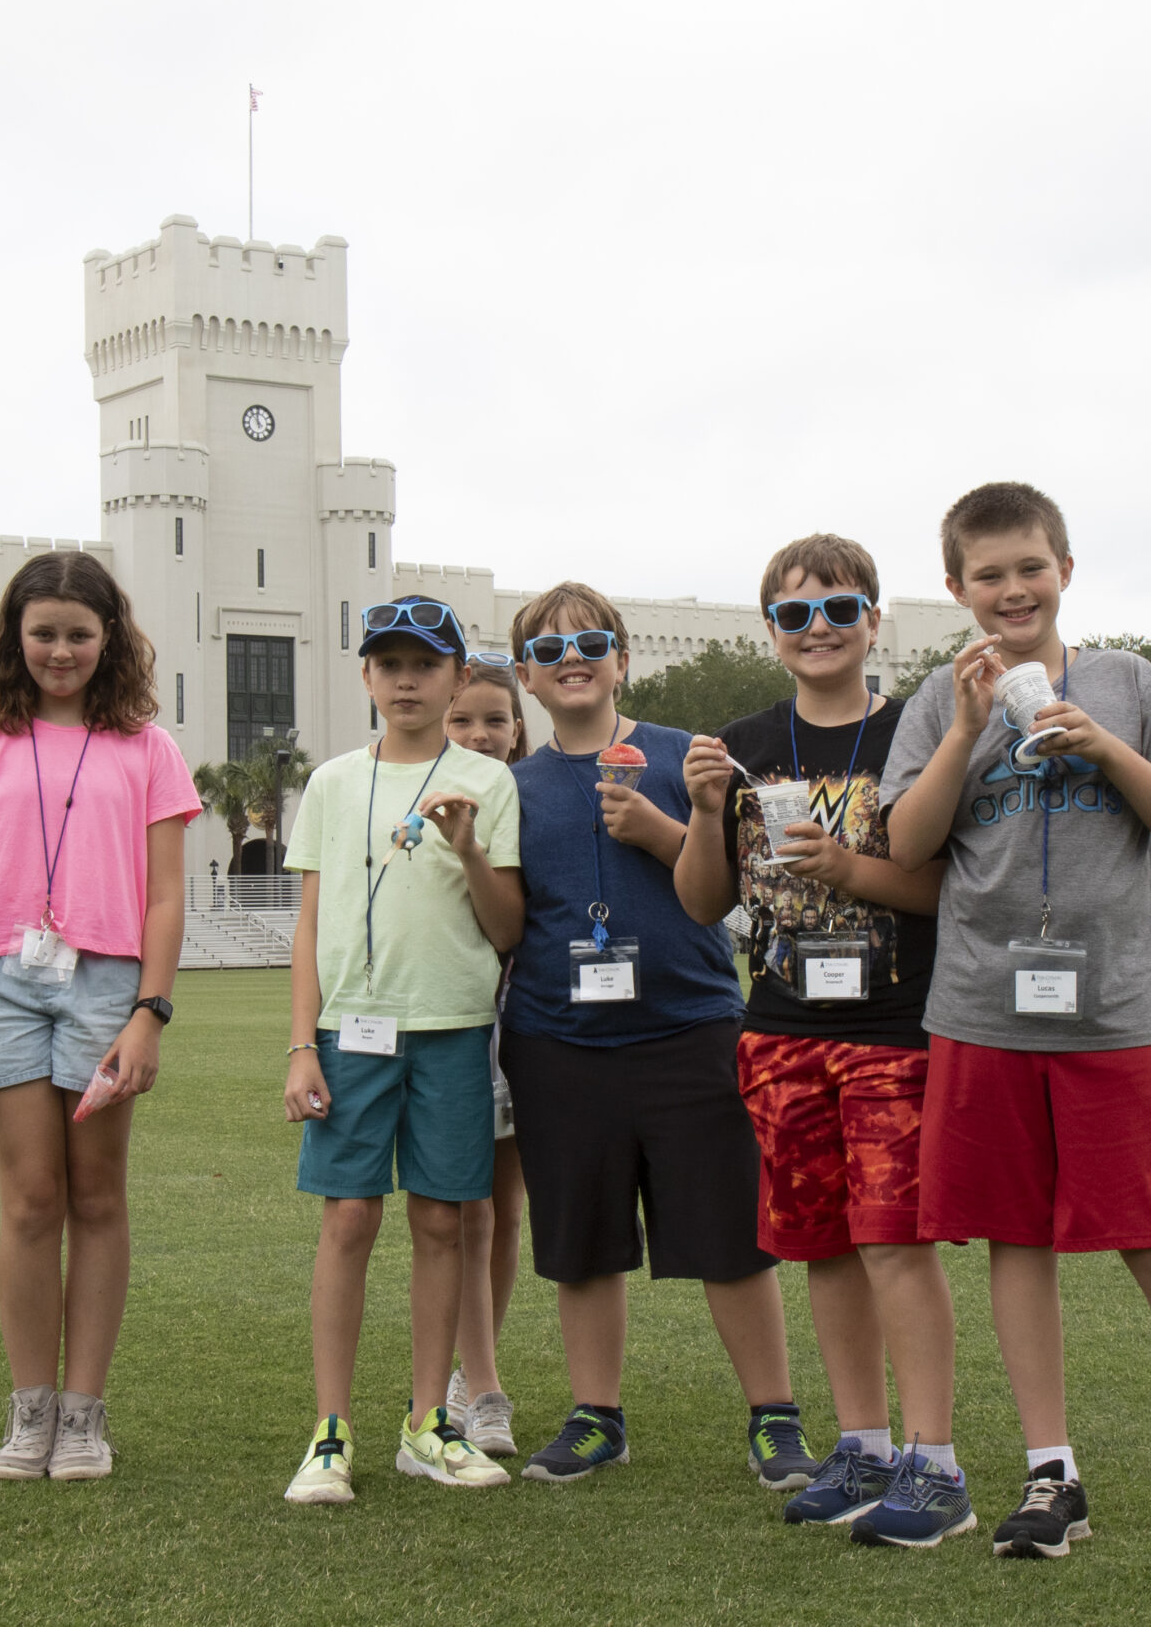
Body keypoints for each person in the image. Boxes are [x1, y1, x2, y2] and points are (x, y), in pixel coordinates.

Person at [882, 482, 1151, 1556]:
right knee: (1016, 1241)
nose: (1011, 589)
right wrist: (970, 729)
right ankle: (1047, 1474)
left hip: (1112, 1012)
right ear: (955, 590)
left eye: (1029, 567)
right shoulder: (939, 697)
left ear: (1063, 571)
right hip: (981, 1012)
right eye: (987, 575)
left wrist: (1104, 751)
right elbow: (905, 846)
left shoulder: (1129, 682)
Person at [676, 534, 971, 1547]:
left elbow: (940, 888)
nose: (817, 631)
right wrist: (706, 808)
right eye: (794, 615)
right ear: (769, 631)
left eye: (838, 611)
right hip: (778, 1029)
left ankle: (934, 1463)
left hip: (893, 1025)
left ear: (871, 624)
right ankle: (861, 1444)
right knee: (823, 1248)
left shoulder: (912, 732)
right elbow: (702, 898)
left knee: (893, 1240)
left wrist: (845, 867)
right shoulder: (743, 740)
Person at [499, 581, 820, 1491]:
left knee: (728, 1235)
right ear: (527, 675)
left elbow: (748, 886)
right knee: (582, 1242)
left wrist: (664, 828)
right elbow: (505, 917)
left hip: (689, 1028)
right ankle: (596, 1416)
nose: (574, 659)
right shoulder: (509, 788)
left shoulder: (690, 757)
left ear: (624, 659)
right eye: (551, 650)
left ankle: (774, 1418)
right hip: (558, 1040)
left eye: (592, 642)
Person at [0, 550, 201, 1482]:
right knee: (31, 1200)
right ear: (15, 636)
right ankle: (30, 1411)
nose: (60, 650)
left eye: (79, 634)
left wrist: (150, 1013)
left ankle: (84, 1415)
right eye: (42, 632)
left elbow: (167, 898)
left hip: (107, 986)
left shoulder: (148, 748)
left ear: (109, 638)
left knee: (97, 1196)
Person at [279, 598, 524, 1504]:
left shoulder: (488, 784)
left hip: (454, 1030)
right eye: (388, 664)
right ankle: (330, 1432)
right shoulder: (334, 783)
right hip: (350, 1035)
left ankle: (429, 1422)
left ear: (460, 676)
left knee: (442, 1223)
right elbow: (308, 927)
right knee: (347, 1220)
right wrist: (302, 1045)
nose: (407, 680)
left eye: (426, 664)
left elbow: (506, 929)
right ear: (366, 678)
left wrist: (467, 849)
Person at [442, 659, 531, 1457]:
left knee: (505, 1211)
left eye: (494, 721)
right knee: (467, 1211)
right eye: (463, 721)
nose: (479, 735)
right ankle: (477, 1380)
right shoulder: (417, 798)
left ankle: (477, 1374)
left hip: (527, 1022)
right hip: (455, 1020)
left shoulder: (527, 796)